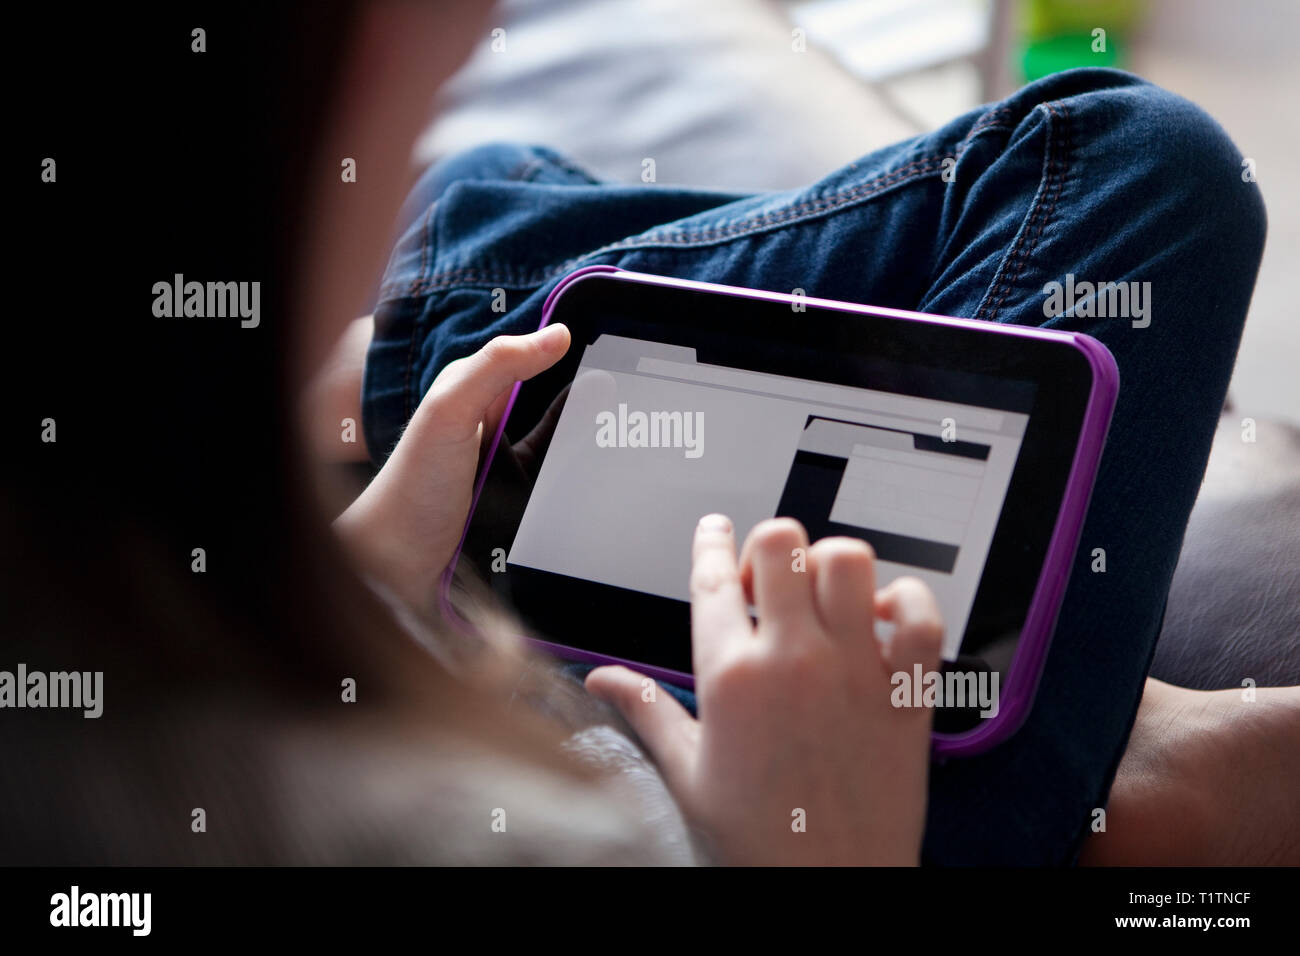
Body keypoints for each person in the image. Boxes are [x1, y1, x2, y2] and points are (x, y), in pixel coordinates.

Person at [5, 1, 1295, 867]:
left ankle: (417, 357)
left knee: (495, 190)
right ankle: (1090, 779)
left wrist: (356, 572)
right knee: (1130, 157)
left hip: (408, 590)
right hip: (741, 780)